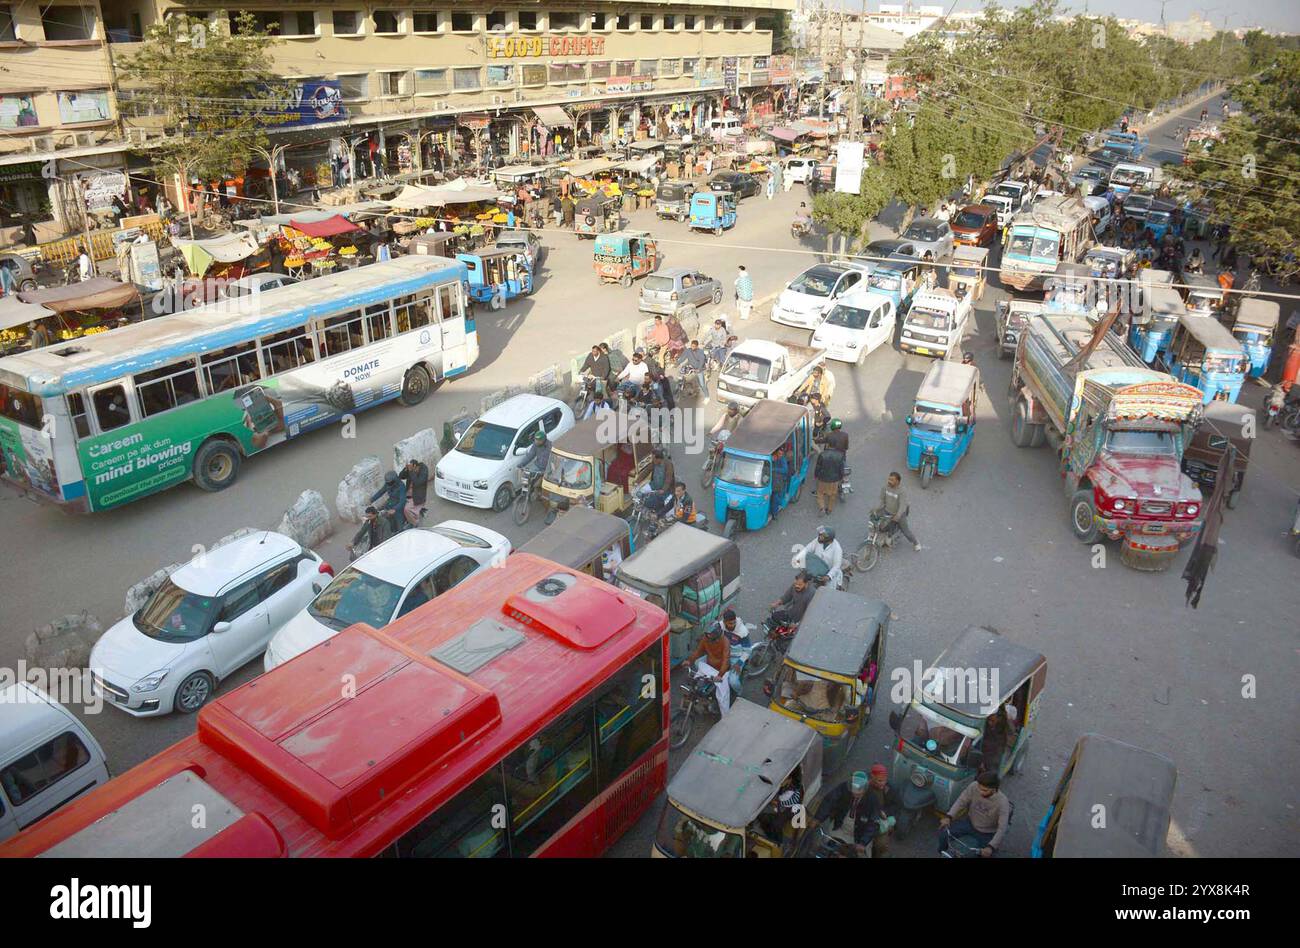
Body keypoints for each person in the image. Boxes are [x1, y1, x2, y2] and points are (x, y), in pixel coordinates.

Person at [814, 769, 891, 856]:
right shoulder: (844, 788)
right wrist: (818, 818)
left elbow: (873, 823)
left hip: (860, 836)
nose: (855, 794)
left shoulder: (872, 800)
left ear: (865, 788)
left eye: (859, 792)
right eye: (853, 789)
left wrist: (863, 843)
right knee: (826, 850)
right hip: (840, 828)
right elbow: (829, 800)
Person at [938, 771, 1011, 857]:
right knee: (943, 834)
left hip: (987, 833)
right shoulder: (974, 786)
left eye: (984, 790)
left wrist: (991, 847)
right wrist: (949, 816)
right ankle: (943, 853)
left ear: (994, 789)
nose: (980, 792)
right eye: (979, 788)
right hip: (969, 823)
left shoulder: (1002, 802)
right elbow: (961, 801)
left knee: (983, 855)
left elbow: (1002, 828)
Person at [684, 618, 731, 714]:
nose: (708, 635)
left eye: (711, 634)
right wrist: (689, 661)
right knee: (695, 683)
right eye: (707, 634)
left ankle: (725, 716)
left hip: (721, 672)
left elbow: (726, 660)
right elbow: (698, 651)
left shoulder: (725, 641)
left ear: (717, 633)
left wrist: (720, 675)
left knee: (722, 697)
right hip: (708, 668)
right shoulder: (705, 639)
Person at [876, 471, 920, 551]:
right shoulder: (885, 488)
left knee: (906, 531)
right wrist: (877, 509)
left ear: (897, 481)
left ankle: (916, 543)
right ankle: (889, 537)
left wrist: (898, 515)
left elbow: (903, 505)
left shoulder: (902, 491)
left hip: (899, 514)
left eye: (892, 480)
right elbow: (882, 500)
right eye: (889, 479)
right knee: (883, 526)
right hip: (888, 511)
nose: (889, 481)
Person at [979, 705, 1019, 776]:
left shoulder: (1005, 728)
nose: (989, 723)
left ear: (999, 718)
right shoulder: (985, 724)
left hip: (993, 756)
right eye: (989, 720)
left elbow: (1010, 740)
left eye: (992, 721)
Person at [813, 444, 846, 516]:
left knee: (820, 493)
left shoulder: (822, 455)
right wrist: (841, 477)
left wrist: (816, 475)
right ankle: (829, 509)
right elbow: (841, 469)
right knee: (833, 494)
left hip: (823, 478)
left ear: (827, 446)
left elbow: (818, 467)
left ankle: (822, 508)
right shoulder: (840, 455)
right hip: (834, 480)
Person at [399, 458, 429, 527]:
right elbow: (401, 476)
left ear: (415, 466)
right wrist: (405, 469)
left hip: (418, 496)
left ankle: (415, 524)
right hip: (408, 494)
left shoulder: (423, 471)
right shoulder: (411, 470)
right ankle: (414, 516)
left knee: (406, 509)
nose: (411, 470)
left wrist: (411, 471)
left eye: (412, 468)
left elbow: (417, 482)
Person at [770, 445, 789, 521]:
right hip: (772, 481)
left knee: (776, 498)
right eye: (778, 454)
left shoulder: (782, 460)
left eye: (781, 454)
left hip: (778, 482)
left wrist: (774, 469)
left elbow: (785, 470)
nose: (779, 455)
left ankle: (774, 513)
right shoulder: (773, 458)